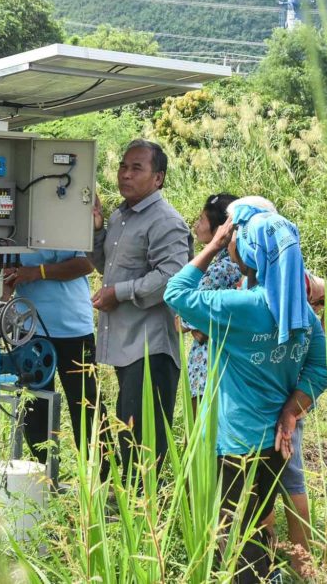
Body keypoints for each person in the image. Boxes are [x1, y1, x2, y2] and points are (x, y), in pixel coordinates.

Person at [164, 205, 327, 584]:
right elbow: (320, 370)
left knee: (236, 540)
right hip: (274, 443)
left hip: (235, 445)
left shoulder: (241, 307)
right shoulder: (298, 310)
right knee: (255, 528)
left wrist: (213, 245)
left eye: (237, 237)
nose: (231, 240)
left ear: (249, 251)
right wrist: (291, 412)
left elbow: (176, 292)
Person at [89, 139, 191, 484]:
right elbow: (106, 266)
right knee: (128, 428)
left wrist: (119, 293)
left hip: (151, 347)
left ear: (158, 178)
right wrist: (96, 230)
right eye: (123, 166)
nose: (126, 174)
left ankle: (145, 515)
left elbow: (171, 279)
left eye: (137, 168)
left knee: (142, 437)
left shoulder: (166, 221)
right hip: (126, 343)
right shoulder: (120, 216)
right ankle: (135, 510)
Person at [3, 250, 103, 469]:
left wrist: (37, 272)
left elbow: (87, 263)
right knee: (34, 408)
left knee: (86, 404)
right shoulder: (14, 228)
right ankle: (43, 476)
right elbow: (4, 277)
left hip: (74, 329)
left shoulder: (71, 219)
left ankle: (100, 480)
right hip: (28, 330)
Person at [181, 193, 242, 404]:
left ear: (219, 231)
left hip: (207, 365)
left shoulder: (220, 269)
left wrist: (192, 323)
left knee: (201, 432)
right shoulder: (241, 266)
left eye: (201, 220)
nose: (196, 225)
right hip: (228, 366)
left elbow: (184, 313)